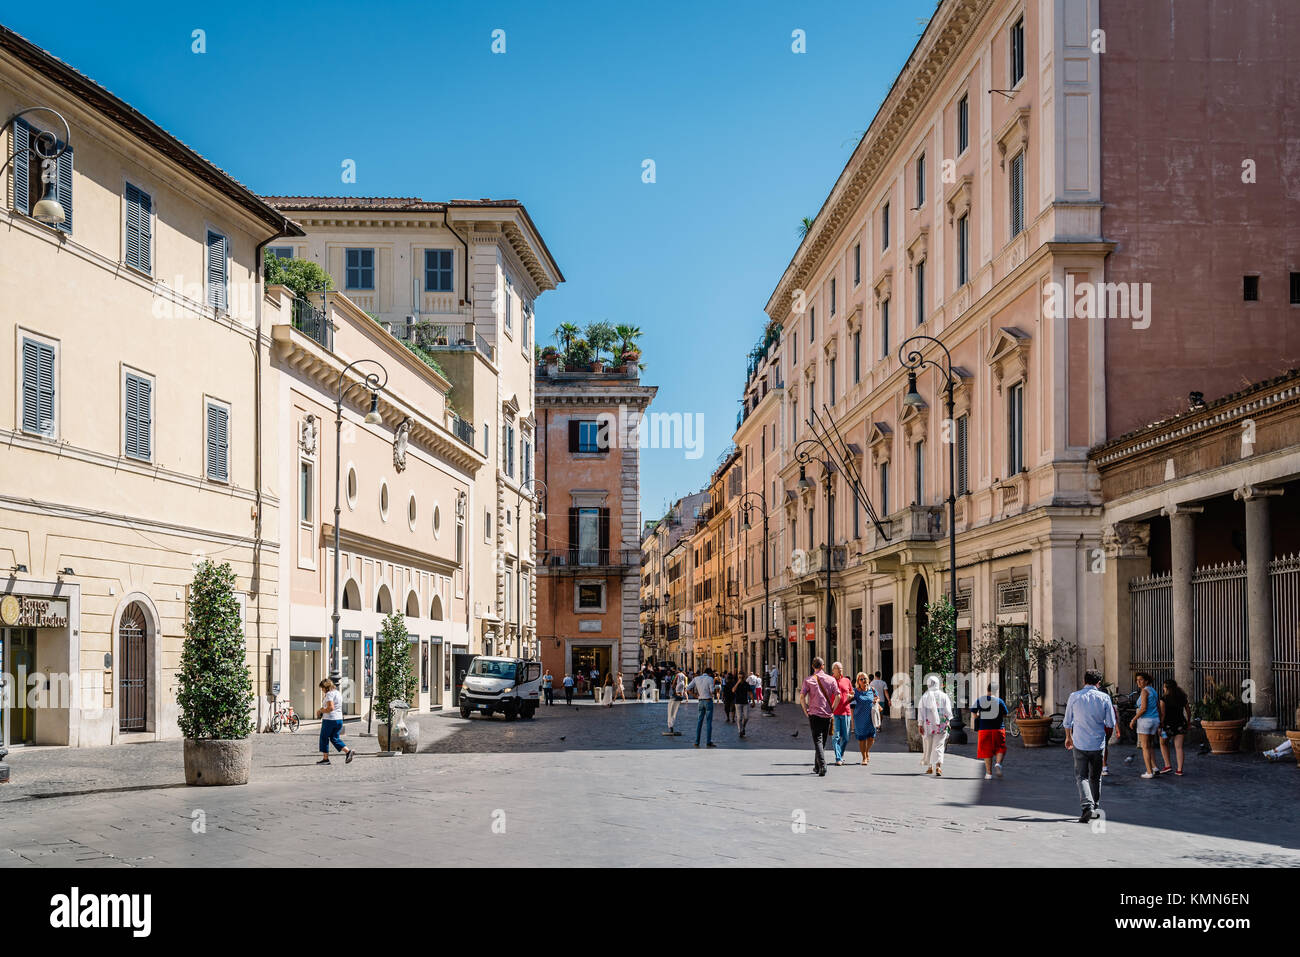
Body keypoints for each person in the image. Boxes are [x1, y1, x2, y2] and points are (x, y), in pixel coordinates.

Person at [1064, 669, 1117, 823]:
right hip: (1098, 743)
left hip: (1079, 742)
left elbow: (1067, 721)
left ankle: (1087, 807)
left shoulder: (1074, 697)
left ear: (1084, 680)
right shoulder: (1105, 698)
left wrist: (1068, 737)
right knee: (1095, 777)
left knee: (1081, 776)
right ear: (1099, 683)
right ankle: (1094, 807)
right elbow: (1111, 723)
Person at [800, 656, 839, 776]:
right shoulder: (831, 679)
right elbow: (838, 696)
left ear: (813, 666)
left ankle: (822, 765)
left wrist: (805, 709)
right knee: (822, 741)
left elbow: (802, 697)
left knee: (817, 740)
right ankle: (817, 766)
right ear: (823, 666)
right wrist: (832, 708)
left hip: (814, 714)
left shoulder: (808, 680)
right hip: (827, 714)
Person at [970, 686, 1009, 779]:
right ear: (996, 690)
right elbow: (1005, 713)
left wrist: (977, 717)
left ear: (987, 690)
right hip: (998, 729)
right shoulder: (1000, 701)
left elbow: (973, 711)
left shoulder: (980, 700)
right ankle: (998, 764)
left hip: (984, 729)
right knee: (1000, 748)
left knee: (986, 751)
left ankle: (988, 774)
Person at [918, 675, 953, 776]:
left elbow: (920, 711)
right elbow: (948, 711)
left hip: (928, 725)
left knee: (928, 745)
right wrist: (948, 722)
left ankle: (930, 767)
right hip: (941, 725)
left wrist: (920, 724)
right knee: (939, 746)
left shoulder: (924, 696)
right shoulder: (944, 696)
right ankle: (938, 767)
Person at [1130, 672, 1162, 778]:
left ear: (1146, 681)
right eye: (1137, 680)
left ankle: (1149, 772)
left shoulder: (1144, 691)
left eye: (1141, 680)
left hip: (1145, 721)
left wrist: (1133, 719)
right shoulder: (1153, 691)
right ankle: (1154, 767)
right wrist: (1160, 721)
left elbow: (1143, 708)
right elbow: (1158, 707)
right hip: (1155, 720)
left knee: (1145, 747)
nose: (1138, 682)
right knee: (1150, 745)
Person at [315, 678, 355, 765]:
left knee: (324, 738)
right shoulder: (337, 693)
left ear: (326, 687)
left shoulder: (329, 694)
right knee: (334, 738)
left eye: (322, 688)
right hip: (339, 719)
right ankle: (348, 752)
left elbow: (331, 708)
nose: (322, 690)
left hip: (330, 720)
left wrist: (321, 711)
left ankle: (325, 759)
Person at [1158, 677, 1191, 776]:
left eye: (1164, 687)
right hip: (1180, 724)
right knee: (1179, 747)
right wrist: (1188, 722)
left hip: (1167, 726)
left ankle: (1167, 765)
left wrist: (1160, 725)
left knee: (1163, 743)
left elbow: (1162, 714)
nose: (1163, 689)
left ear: (1166, 688)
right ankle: (1179, 769)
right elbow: (1188, 711)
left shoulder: (1164, 699)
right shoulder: (1182, 697)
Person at [849, 672, 878, 764]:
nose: (863, 680)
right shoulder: (856, 691)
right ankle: (864, 757)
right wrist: (849, 696)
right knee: (862, 738)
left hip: (871, 717)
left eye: (865, 678)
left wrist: (876, 700)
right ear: (858, 681)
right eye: (861, 679)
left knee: (871, 738)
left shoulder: (872, 690)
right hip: (859, 718)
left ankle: (867, 751)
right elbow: (848, 700)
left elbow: (877, 698)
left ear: (868, 680)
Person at [829, 662, 854, 766]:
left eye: (841, 668)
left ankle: (840, 754)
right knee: (836, 737)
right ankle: (838, 758)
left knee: (846, 737)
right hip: (834, 713)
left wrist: (850, 696)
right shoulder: (830, 681)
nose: (840, 670)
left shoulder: (847, 680)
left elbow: (852, 693)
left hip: (846, 712)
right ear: (833, 670)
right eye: (838, 668)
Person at [689, 667, 717, 748]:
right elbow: (712, 691)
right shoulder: (710, 679)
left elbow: (687, 688)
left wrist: (695, 695)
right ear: (710, 673)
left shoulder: (696, 678)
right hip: (708, 701)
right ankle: (708, 741)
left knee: (699, 722)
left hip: (700, 701)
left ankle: (697, 742)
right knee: (708, 722)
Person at [663, 666, 687, 736]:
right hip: (682, 684)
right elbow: (685, 680)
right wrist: (685, 685)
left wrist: (673, 685)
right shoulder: (683, 675)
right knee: (681, 692)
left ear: (678, 670)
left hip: (679, 684)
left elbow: (675, 680)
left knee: (677, 691)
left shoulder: (678, 674)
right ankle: (680, 696)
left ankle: (677, 696)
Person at [733, 671, 753, 738]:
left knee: (746, 717)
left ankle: (743, 727)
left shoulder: (746, 684)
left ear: (744, 677)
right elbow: (733, 690)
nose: (740, 678)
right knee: (739, 718)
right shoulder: (736, 683)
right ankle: (740, 731)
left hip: (745, 702)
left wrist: (753, 701)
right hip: (738, 702)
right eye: (739, 677)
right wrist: (738, 683)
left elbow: (750, 693)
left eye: (741, 677)